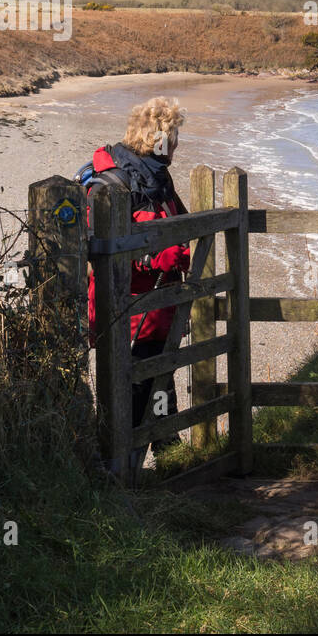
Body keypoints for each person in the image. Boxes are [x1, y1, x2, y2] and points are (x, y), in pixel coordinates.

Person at [85, 97, 191, 463]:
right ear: (159, 137)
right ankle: (123, 476)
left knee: (158, 383)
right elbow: (121, 245)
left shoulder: (155, 175)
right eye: (173, 135)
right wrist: (171, 254)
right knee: (132, 394)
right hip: (131, 314)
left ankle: (167, 461)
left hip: (154, 310)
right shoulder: (120, 182)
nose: (176, 143)